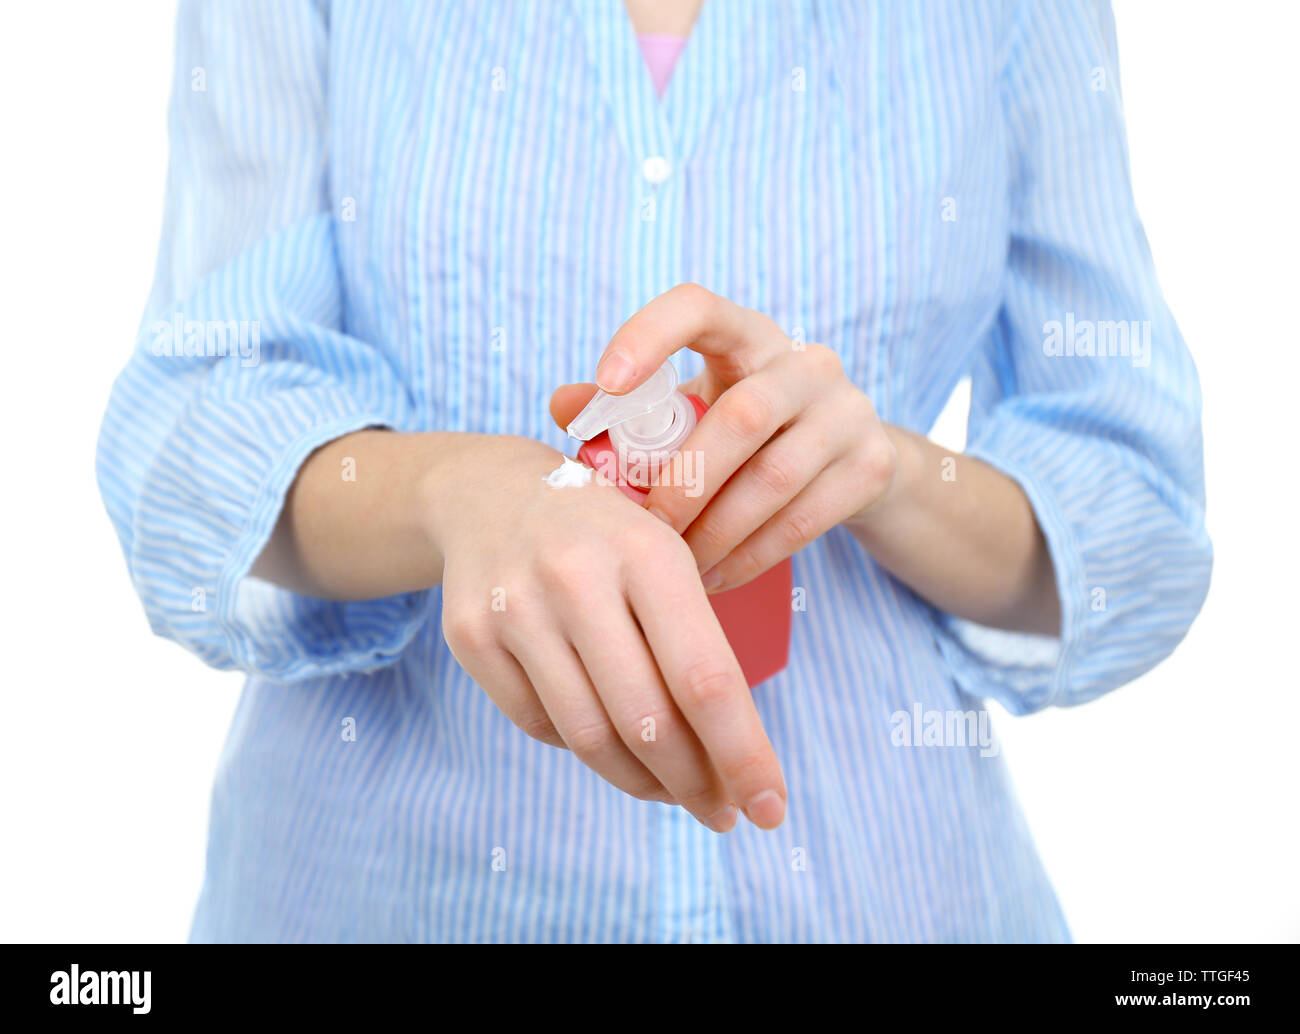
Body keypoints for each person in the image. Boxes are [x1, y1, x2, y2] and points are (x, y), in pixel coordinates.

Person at [96, 0, 1211, 942]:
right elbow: (198, 417)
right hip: (376, 889)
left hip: (898, 888)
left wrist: (882, 470)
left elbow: (1135, 516)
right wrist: (454, 493)